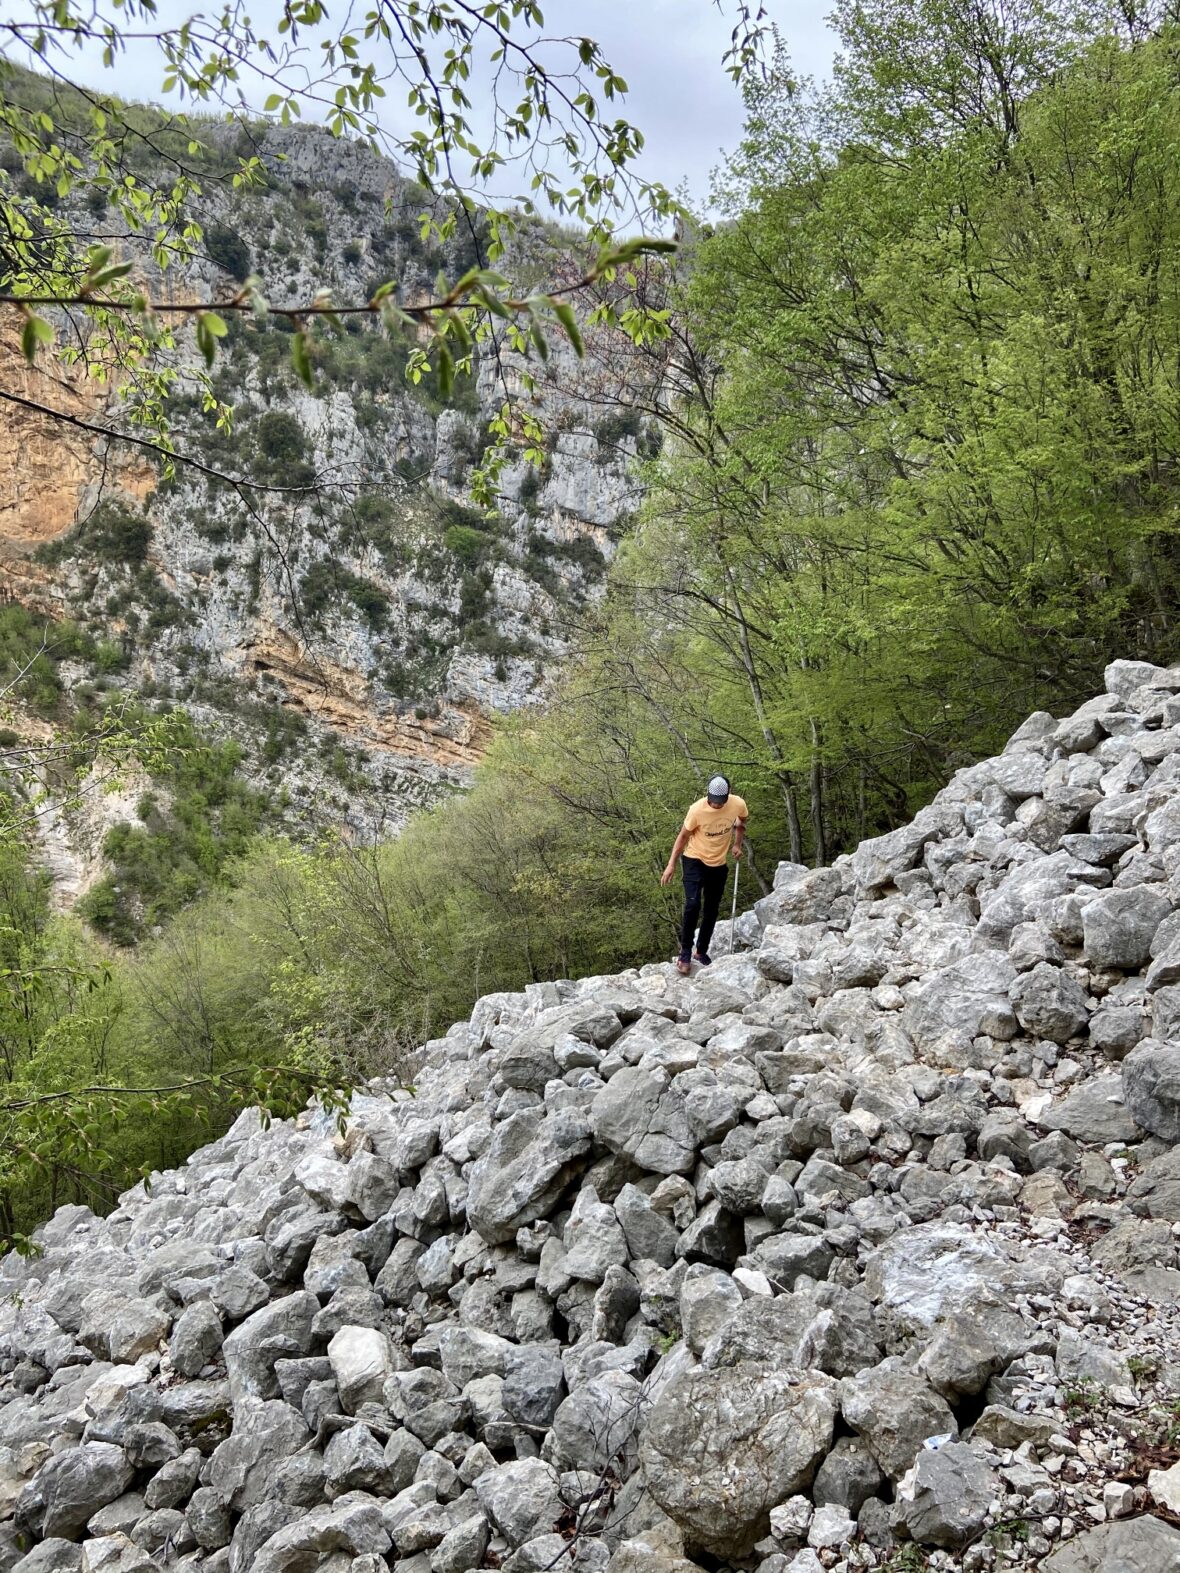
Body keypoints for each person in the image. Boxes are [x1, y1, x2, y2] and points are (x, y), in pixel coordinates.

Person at [660, 775, 748, 975]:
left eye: (720, 802)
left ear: (728, 795)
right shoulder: (697, 810)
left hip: (718, 863)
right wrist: (671, 864)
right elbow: (683, 836)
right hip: (694, 860)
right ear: (708, 795)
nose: (716, 805)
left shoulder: (737, 804)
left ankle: (701, 952)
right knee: (692, 905)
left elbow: (742, 821)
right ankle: (685, 952)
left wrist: (737, 844)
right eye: (713, 801)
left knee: (711, 909)